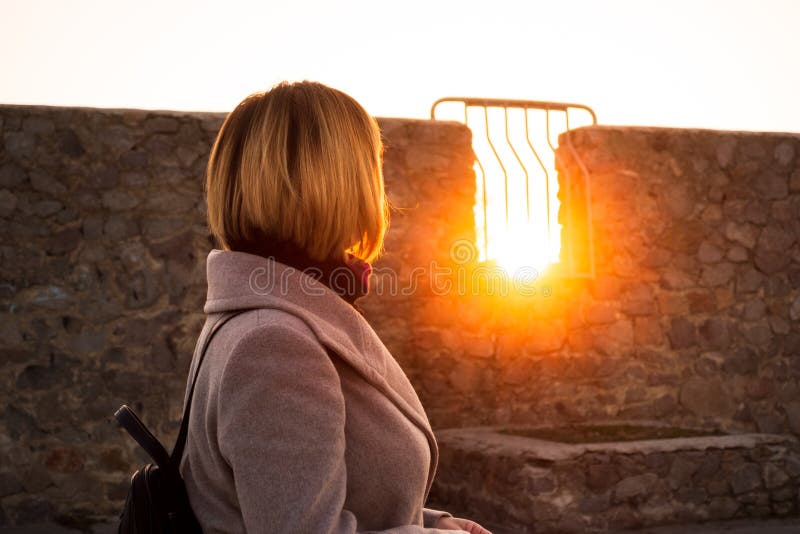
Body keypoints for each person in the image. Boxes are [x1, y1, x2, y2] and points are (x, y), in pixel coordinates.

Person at [179, 80, 492, 534]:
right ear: (342, 181)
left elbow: (310, 499)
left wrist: (434, 524)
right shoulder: (275, 344)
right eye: (371, 166)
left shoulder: (266, 314)